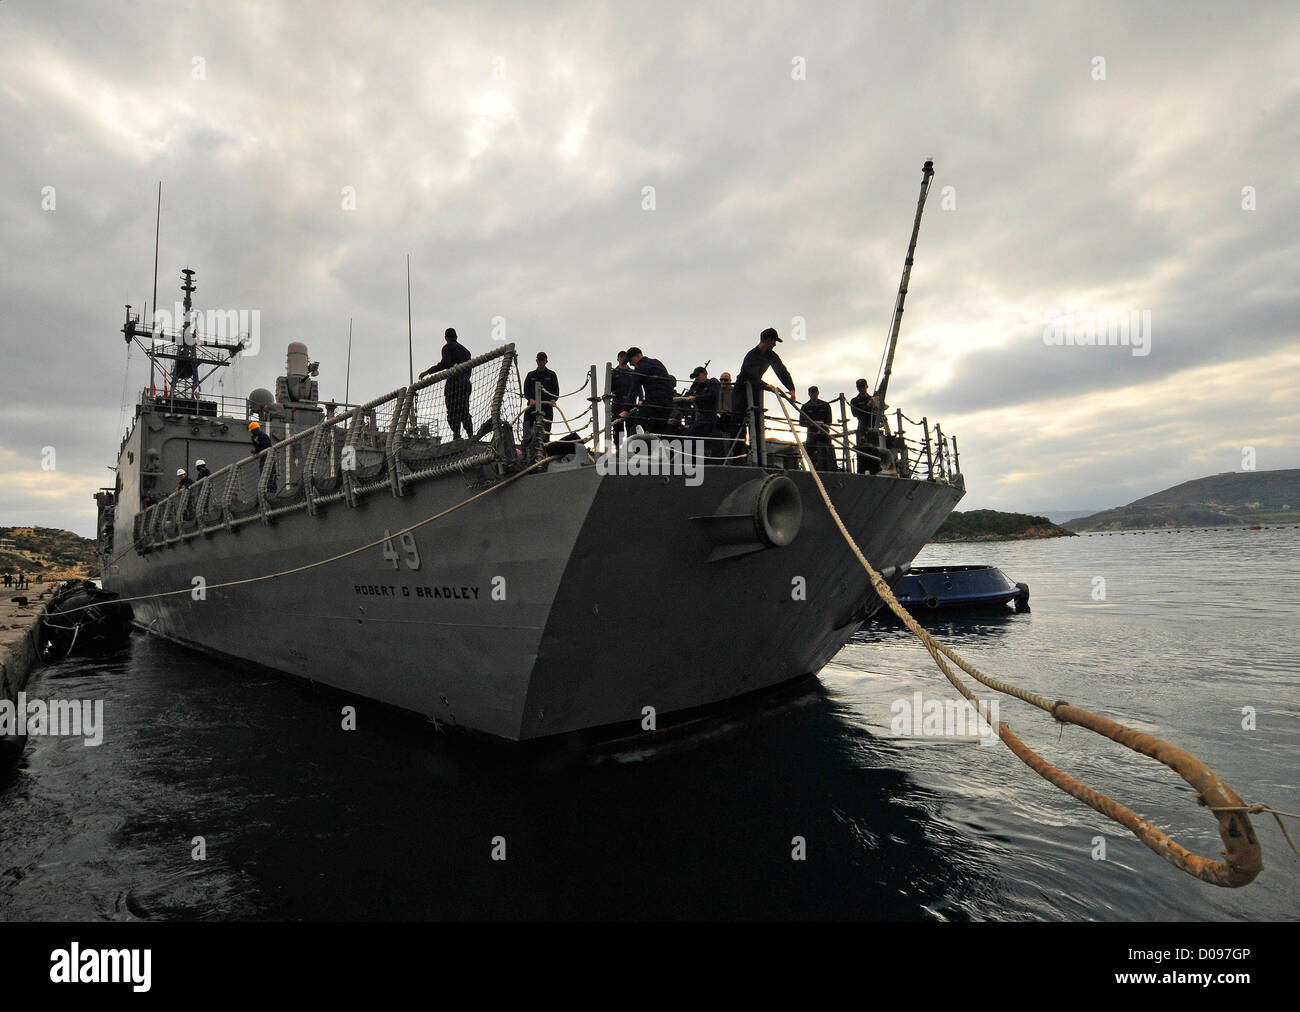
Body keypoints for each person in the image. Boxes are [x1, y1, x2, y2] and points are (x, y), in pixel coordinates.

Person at [733, 327, 795, 446]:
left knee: (757, 423)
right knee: (738, 423)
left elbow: (781, 371)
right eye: (774, 341)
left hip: (756, 391)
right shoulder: (751, 356)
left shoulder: (771, 355)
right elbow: (752, 376)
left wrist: (791, 389)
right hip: (741, 391)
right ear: (767, 340)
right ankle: (738, 455)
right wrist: (768, 386)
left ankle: (759, 456)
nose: (775, 344)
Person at [420, 327, 474, 440]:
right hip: (466, 383)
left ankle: (457, 435)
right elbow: (469, 370)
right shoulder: (466, 352)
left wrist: (428, 371)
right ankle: (470, 435)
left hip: (454, 383)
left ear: (445, 338)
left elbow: (445, 363)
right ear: (456, 337)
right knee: (464, 409)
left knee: (452, 410)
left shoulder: (447, 347)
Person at [619, 347, 674, 435]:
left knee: (636, 431)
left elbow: (634, 390)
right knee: (658, 433)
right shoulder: (657, 362)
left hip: (653, 402)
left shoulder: (640, 367)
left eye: (630, 360)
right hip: (668, 404)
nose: (631, 364)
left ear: (636, 356)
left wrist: (626, 410)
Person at [523, 352, 559, 450]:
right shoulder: (531, 375)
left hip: (546, 407)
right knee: (527, 433)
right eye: (539, 360)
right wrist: (530, 399)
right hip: (532, 406)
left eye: (542, 360)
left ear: (546, 361)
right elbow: (526, 390)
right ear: (536, 361)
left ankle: (544, 454)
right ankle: (526, 452)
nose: (540, 362)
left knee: (545, 436)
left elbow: (555, 390)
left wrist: (553, 400)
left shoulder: (552, 375)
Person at [850, 378, 885, 474]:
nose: (862, 389)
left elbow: (880, 412)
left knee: (875, 451)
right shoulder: (855, 401)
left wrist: (879, 404)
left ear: (867, 386)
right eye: (860, 387)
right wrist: (868, 405)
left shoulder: (872, 398)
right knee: (863, 451)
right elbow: (856, 414)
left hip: (874, 427)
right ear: (857, 388)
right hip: (863, 427)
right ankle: (862, 472)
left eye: (863, 386)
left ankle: (876, 471)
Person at [800, 386, 836, 471]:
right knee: (812, 459)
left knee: (827, 458)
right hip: (811, 436)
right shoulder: (805, 407)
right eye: (812, 393)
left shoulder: (825, 405)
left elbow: (829, 421)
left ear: (818, 393)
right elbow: (801, 422)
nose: (814, 394)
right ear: (809, 394)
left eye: (815, 392)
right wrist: (812, 424)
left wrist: (821, 428)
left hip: (824, 435)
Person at [683, 366, 721, 438]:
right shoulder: (697, 386)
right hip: (700, 417)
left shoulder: (712, 382)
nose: (696, 378)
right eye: (695, 377)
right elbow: (688, 396)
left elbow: (711, 395)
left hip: (710, 416)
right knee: (690, 435)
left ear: (705, 374)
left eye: (698, 375)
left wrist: (696, 397)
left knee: (692, 435)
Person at [610, 351, 636, 448]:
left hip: (631, 402)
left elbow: (638, 388)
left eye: (624, 357)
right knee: (617, 428)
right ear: (618, 359)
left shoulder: (633, 373)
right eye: (621, 356)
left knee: (631, 428)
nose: (623, 358)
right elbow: (608, 389)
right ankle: (618, 451)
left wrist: (641, 399)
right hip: (617, 402)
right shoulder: (613, 373)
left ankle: (631, 450)